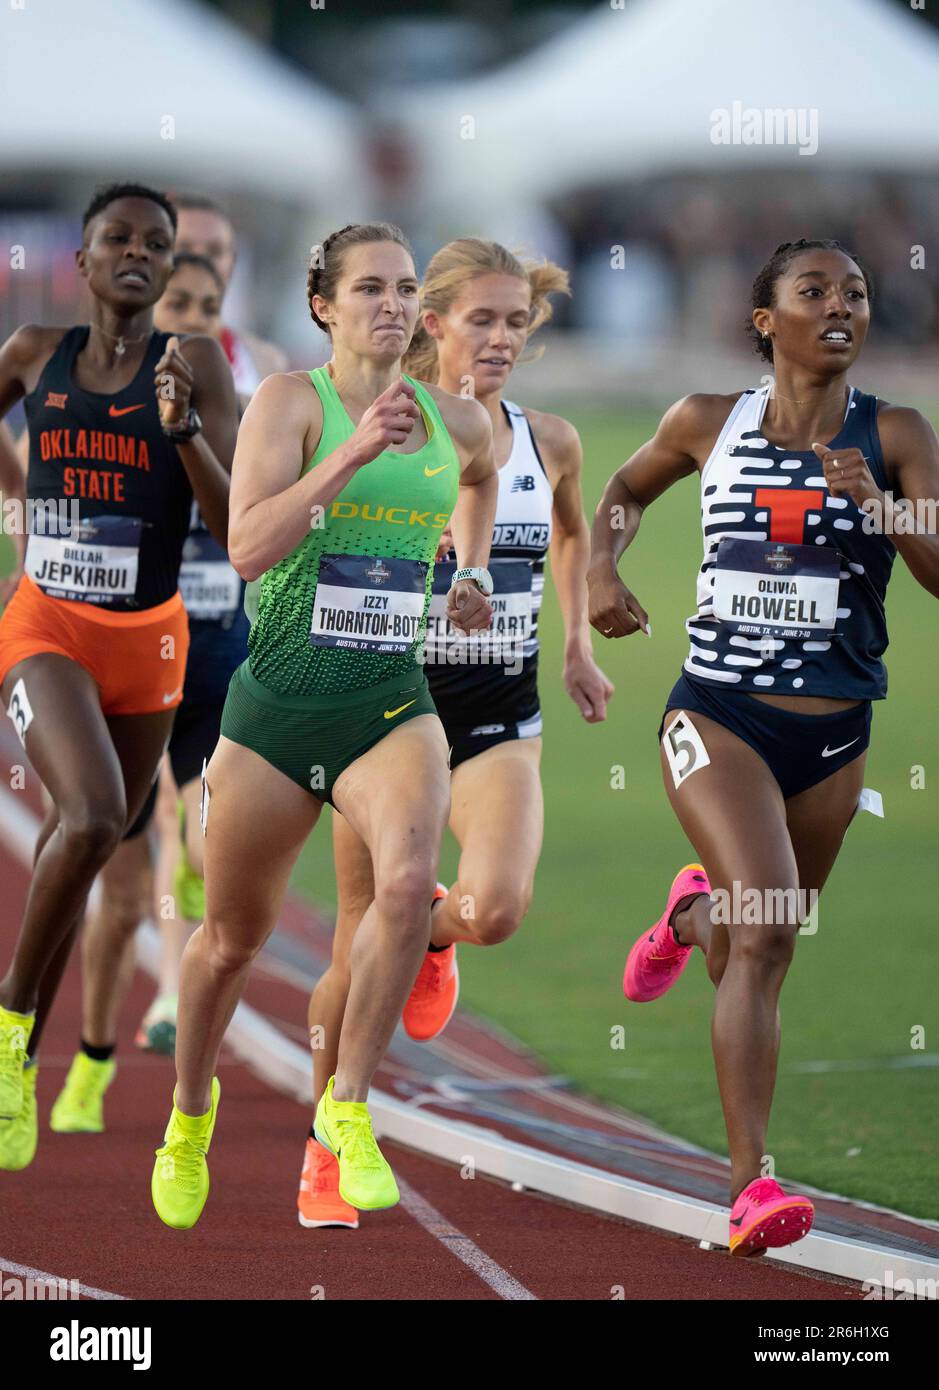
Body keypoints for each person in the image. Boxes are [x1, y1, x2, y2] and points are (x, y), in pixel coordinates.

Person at [587, 239, 939, 1257]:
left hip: (835, 737)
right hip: (720, 716)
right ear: (764, 319)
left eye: (857, 293)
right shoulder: (708, 421)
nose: (841, 305)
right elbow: (622, 490)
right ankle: (750, 1187)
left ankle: (688, 917)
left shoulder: (900, 433)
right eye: (813, 291)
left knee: (754, 943)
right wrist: (603, 571)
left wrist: (883, 504)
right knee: (772, 927)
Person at [149, 221, 499, 1230]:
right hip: (271, 707)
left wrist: (467, 572)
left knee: (402, 882)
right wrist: (350, 451)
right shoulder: (288, 403)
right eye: (370, 289)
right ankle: (187, 1114)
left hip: (387, 701)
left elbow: (478, 475)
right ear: (323, 306)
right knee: (228, 941)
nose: (393, 305)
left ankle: (346, 1107)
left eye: (404, 290)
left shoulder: (455, 421)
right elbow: (250, 547)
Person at [298, 238, 614, 1229]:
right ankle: (324, 1142)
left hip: (496, 712)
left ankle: (432, 932)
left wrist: (574, 646)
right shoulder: (384, 432)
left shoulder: (550, 439)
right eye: (483, 318)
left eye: (518, 320)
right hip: (383, 710)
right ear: (432, 323)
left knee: (497, 906)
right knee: (353, 953)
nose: (503, 337)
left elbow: (569, 533)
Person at [0, 183, 238, 1171]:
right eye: (117, 239)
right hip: (44, 623)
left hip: (153, 640)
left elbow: (239, 535)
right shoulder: (31, 353)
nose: (137, 253)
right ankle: (12, 1038)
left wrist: (183, 432)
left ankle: (21, 1061)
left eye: (157, 243)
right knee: (95, 817)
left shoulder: (200, 369)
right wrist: (19, 496)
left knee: (80, 845)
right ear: (84, 262)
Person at [48, 252, 248, 1136]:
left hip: (215, 664)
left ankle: (176, 988)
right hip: (124, 653)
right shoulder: (99, 396)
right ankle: (91, 1054)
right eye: (179, 305)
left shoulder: (248, 396)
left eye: (208, 305)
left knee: (206, 841)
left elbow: (260, 516)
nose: (193, 321)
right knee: (120, 887)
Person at [172, 194, 287, 404]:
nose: (200, 260)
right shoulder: (119, 356)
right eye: (183, 248)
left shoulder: (268, 363)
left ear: (233, 262)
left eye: (214, 251)